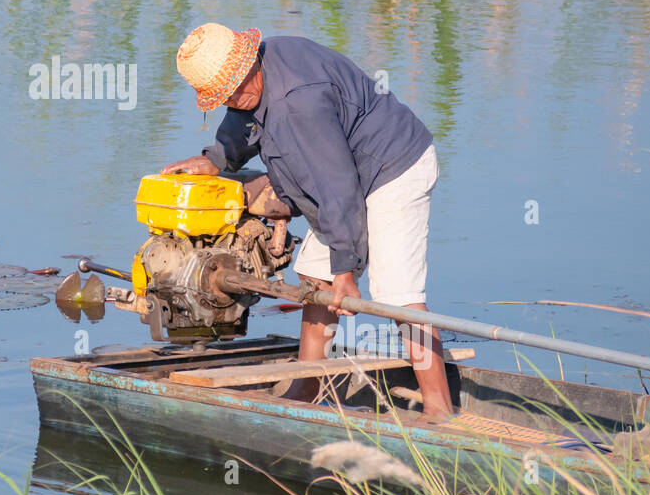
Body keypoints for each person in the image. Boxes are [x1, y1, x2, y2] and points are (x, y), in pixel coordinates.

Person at [161, 23, 454, 418]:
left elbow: (335, 186)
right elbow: (244, 117)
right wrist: (216, 158)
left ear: (248, 62)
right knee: (315, 274)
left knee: (398, 296)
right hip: (353, 169)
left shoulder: (296, 106)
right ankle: (308, 383)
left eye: (237, 86)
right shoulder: (266, 64)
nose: (236, 96)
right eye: (226, 93)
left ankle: (439, 408)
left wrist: (346, 268)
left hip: (394, 167)